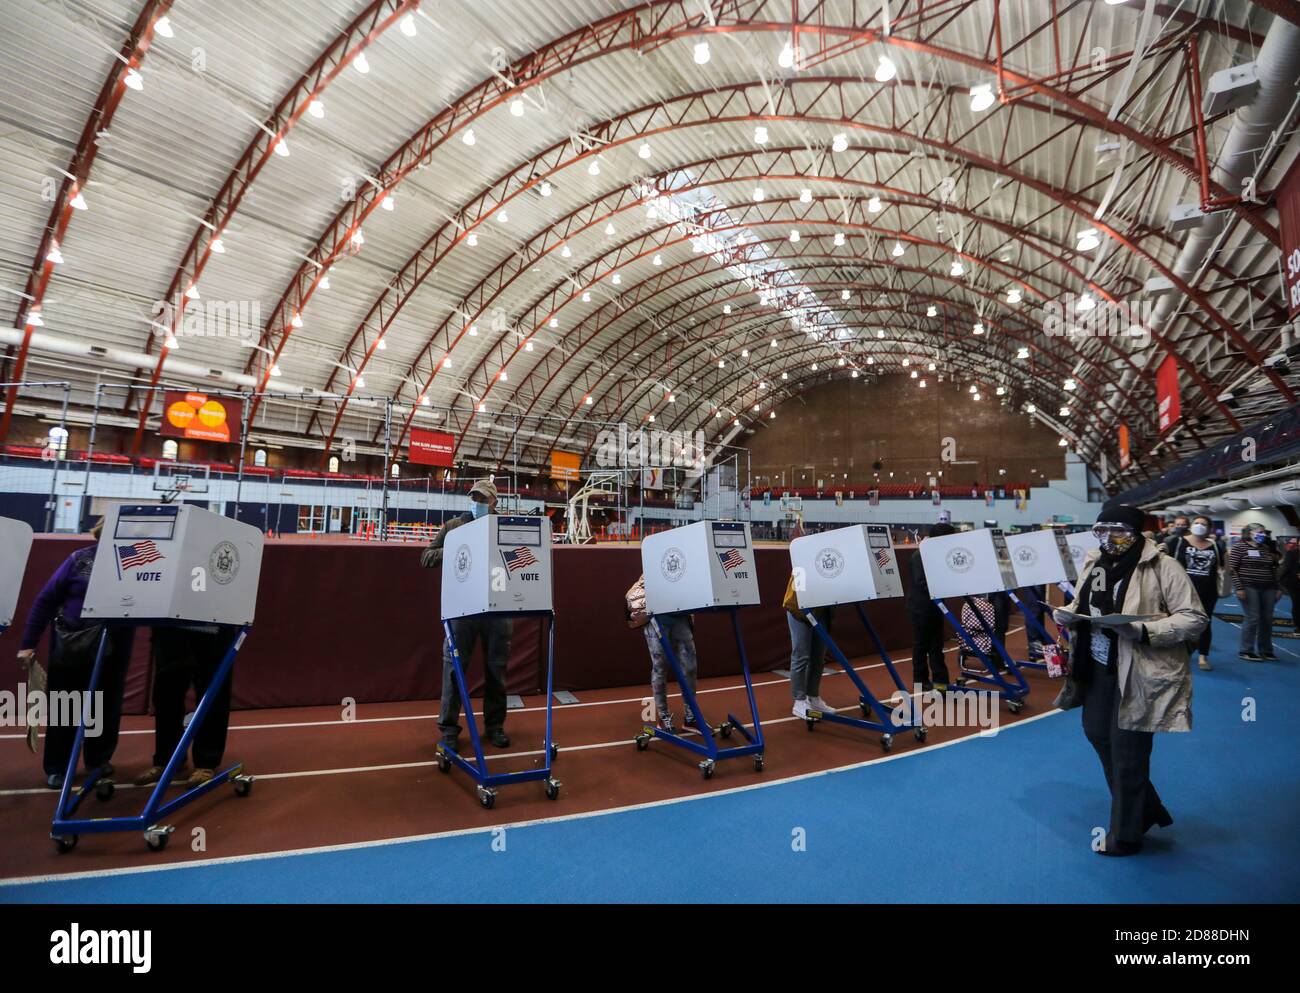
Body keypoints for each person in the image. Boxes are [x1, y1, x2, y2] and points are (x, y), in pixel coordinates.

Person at [1053, 503, 1205, 856]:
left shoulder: (1163, 567)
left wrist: (1141, 629)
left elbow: (1193, 618)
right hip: (1096, 668)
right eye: (1101, 531)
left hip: (1138, 672)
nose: (1108, 538)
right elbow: (1081, 604)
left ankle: (1126, 834)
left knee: (1128, 754)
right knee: (1096, 733)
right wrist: (1069, 617)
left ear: (1136, 533)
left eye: (1117, 531)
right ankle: (1145, 809)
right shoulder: (1094, 564)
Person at [14, 519, 134, 789]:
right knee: (65, 706)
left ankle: (98, 760)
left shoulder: (136, 565)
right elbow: (45, 601)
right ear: (101, 534)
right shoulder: (79, 560)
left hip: (114, 647)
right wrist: (28, 644)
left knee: (105, 705)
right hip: (72, 644)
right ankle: (57, 765)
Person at [420, 478, 513, 749]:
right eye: (475, 498)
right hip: (462, 610)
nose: (478, 503)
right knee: (453, 670)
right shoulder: (453, 528)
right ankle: (449, 729)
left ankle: (495, 727)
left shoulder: (504, 528)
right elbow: (426, 557)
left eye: (483, 499)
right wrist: (454, 548)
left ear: (494, 502)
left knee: (497, 671)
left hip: (498, 608)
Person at [134, 624, 241, 788]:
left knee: (212, 693)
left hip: (214, 622)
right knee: (165, 693)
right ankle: (167, 759)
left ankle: (206, 762)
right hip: (170, 625)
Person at [626, 574, 701, 732]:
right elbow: (633, 595)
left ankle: (690, 716)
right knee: (660, 666)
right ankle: (663, 716)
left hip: (680, 616)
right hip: (656, 619)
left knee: (690, 666)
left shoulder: (685, 561)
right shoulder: (653, 565)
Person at [1162, 515, 1225, 671]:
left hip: (1208, 591)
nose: (1199, 525)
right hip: (1181, 590)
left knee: (1205, 623)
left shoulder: (1216, 546)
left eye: (1203, 524)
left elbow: (1222, 567)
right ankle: (1178, 652)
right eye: (1196, 523)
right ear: (1190, 526)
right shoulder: (1177, 542)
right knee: (1178, 621)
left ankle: (1203, 655)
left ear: (1209, 528)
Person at [906, 522, 956, 690]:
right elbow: (922, 583)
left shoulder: (938, 555)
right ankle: (919, 680)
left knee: (936, 645)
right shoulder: (919, 556)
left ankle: (940, 680)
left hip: (936, 606)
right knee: (921, 645)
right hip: (921, 607)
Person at [783, 571, 835, 719]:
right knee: (801, 654)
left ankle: (813, 696)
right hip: (798, 608)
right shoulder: (802, 553)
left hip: (822, 609)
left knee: (818, 657)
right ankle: (799, 701)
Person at [1229, 523, 1281, 661]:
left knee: (1267, 619)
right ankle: (1246, 650)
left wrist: (1278, 588)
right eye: (1259, 532)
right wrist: (1239, 587)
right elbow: (1232, 569)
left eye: (1264, 532)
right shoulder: (1239, 547)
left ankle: (1266, 650)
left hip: (1268, 586)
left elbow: (1273, 569)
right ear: (1249, 532)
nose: (1262, 535)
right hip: (1248, 586)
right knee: (1253, 617)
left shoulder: (1265, 548)